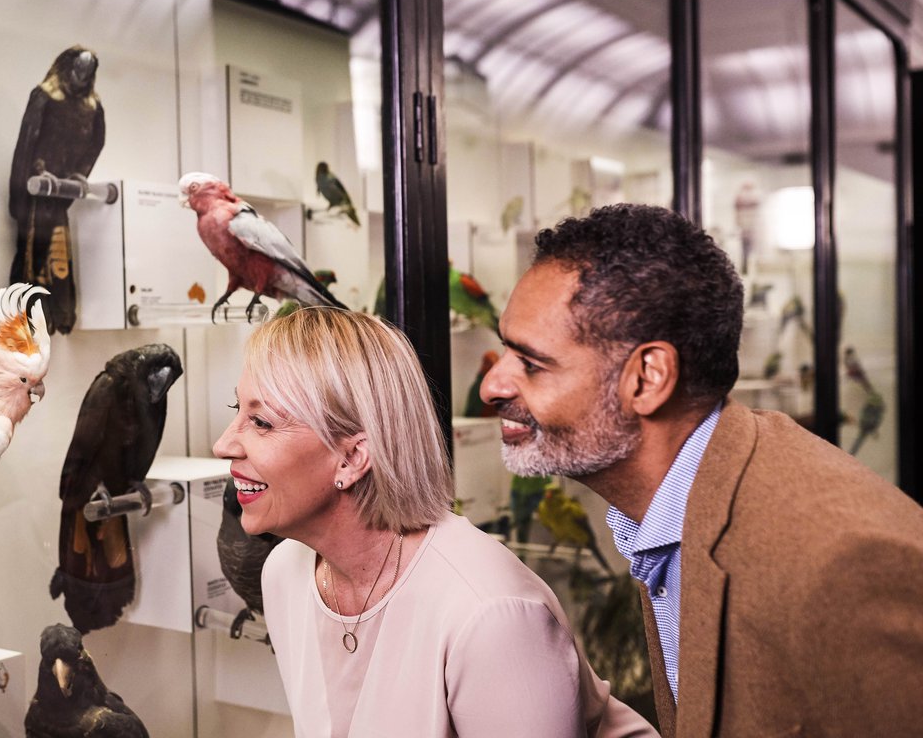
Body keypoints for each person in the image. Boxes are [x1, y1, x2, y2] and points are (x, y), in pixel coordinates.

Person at [480, 203, 923, 737]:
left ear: (647, 379)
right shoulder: (672, 507)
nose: (492, 387)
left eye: (531, 363)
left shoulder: (839, 560)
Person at [213, 307, 655, 738]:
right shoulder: (285, 572)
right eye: (238, 409)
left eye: (261, 422)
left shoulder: (490, 616)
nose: (223, 444)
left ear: (351, 457)